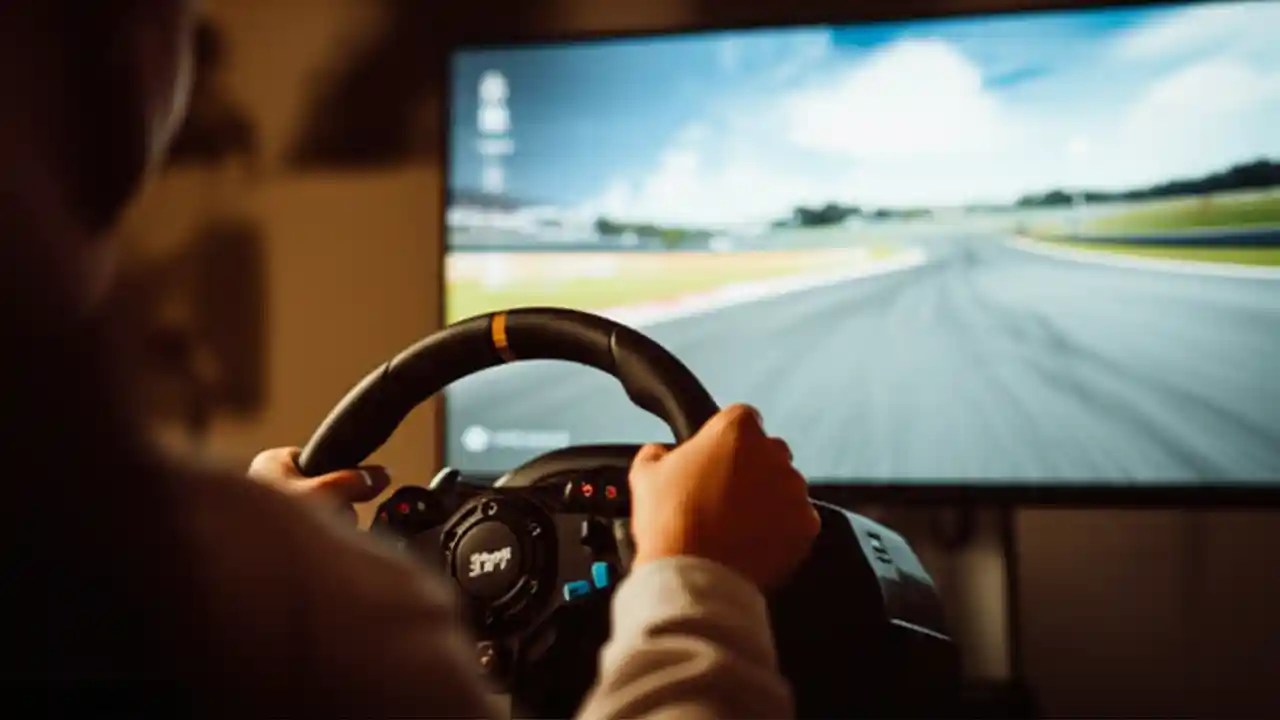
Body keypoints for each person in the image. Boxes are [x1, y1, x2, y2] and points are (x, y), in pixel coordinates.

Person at [2, 1, 820, 717]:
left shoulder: (210, 584)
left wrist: (257, 558)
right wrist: (698, 576)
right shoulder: (283, 610)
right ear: (127, 65)